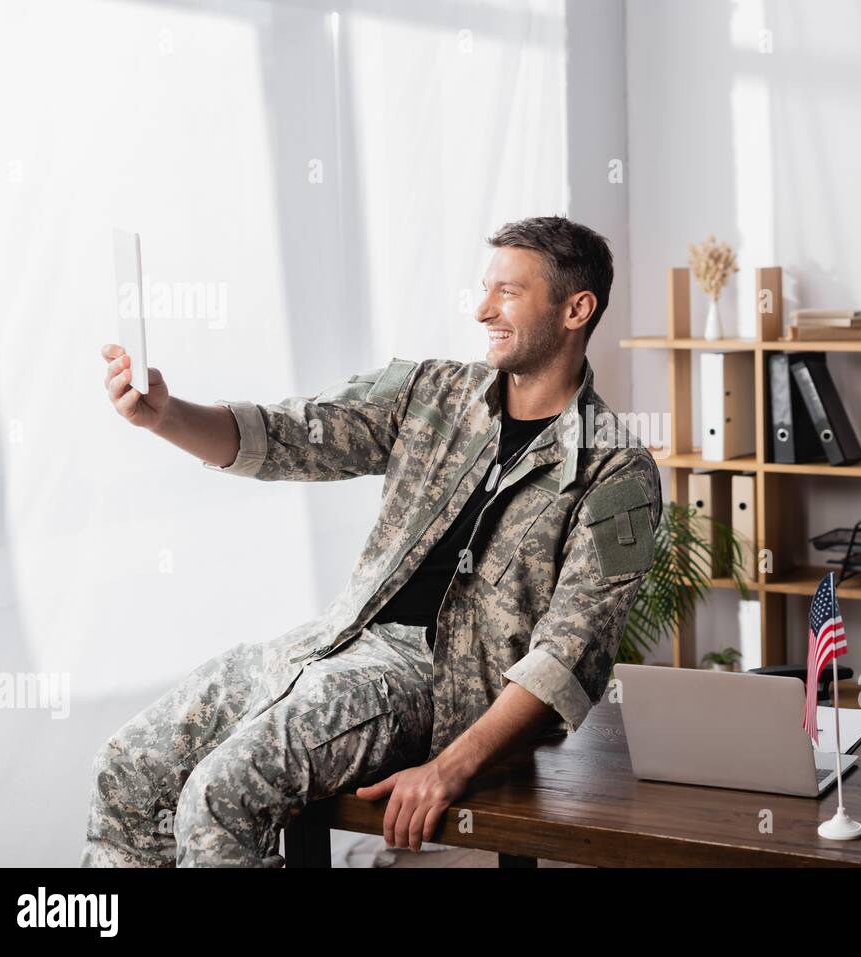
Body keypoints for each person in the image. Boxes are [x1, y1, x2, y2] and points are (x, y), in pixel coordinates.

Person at [83, 216, 661, 867]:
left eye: (508, 292)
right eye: (485, 288)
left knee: (222, 793)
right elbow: (292, 435)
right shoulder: (433, 393)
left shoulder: (616, 472)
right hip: (331, 642)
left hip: (433, 685)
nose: (482, 310)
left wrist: (448, 767)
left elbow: (566, 655)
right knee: (126, 766)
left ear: (576, 309)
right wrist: (165, 415)